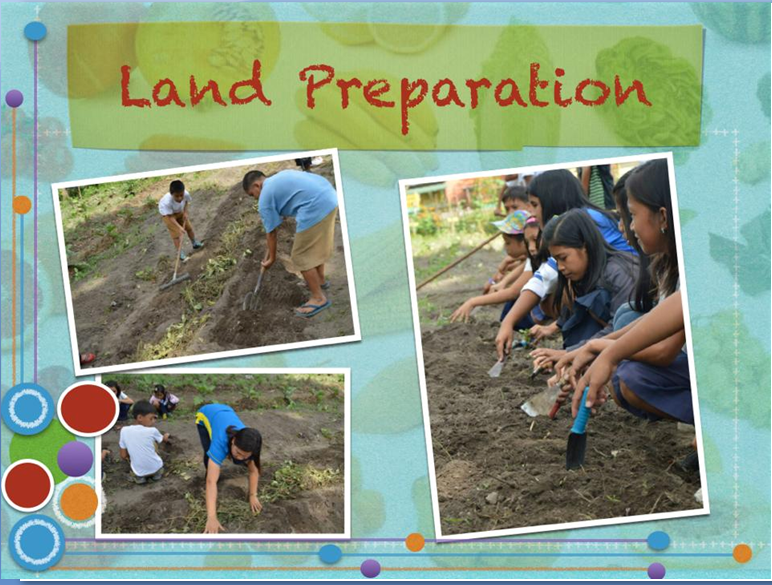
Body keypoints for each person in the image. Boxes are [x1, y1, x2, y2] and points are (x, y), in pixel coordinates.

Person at [494, 170, 636, 360]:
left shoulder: (586, 224)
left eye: (535, 205)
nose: (532, 213)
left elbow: (544, 277)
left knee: (566, 288)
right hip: (621, 298)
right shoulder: (575, 224)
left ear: (553, 199)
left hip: (630, 297)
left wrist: (508, 322)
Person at [535, 209, 638, 357]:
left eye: (563, 257)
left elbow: (620, 329)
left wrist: (568, 354)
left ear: (585, 246)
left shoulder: (619, 273)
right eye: (556, 260)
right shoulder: (587, 273)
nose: (560, 267)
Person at [242, 169, 338, 318]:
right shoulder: (278, 179)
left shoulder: (265, 198)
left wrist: (271, 259)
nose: (255, 199)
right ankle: (320, 280)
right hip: (329, 196)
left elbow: (272, 233)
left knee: (299, 255)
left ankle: (318, 298)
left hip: (315, 205)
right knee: (315, 245)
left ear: (256, 185)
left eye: (252, 195)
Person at [450, 210, 533, 323]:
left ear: (524, 242)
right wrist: (502, 283)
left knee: (517, 302)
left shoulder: (536, 259)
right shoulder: (530, 258)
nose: (505, 247)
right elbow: (523, 269)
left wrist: (473, 301)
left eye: (508, 243)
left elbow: (513, 292)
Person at [195, 404, 263, 534]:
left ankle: (231, 456)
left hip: (227, 411)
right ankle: (210, 465)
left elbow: (254, 470)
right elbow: (211, 482)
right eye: (237, 452)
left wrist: (253, 495)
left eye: (245, 455)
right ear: (233, 441)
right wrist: (212, 517)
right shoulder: (220, 443)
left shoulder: (250, 442)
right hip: (205, 415)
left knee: (240, 459)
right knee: (209, 454)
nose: (240, 456)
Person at [119, 400, 169, 484]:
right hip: (156, 468)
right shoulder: (152, 431)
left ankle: (140, 479)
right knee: (154, 444)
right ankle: (156, 476)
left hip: (139, 471)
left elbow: (123, 456)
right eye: (151, 418)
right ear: (140, 418)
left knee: (136, 470)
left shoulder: (124, 430)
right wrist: (166, 436)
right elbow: (162, 440)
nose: (154, 421)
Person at [158, 179, 204, 261]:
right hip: (168, 215)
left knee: (189, 228)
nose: (179, 198)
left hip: (179, 211)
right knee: (176, 235)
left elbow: (186, 202)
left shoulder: (185, 194)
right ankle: (180, 253)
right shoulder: (166, 203)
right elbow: (171, 217)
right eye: (177, 196)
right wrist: (179, 228)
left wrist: (186, 212)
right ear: (171, 194)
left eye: (181, 195)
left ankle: (194, 243)